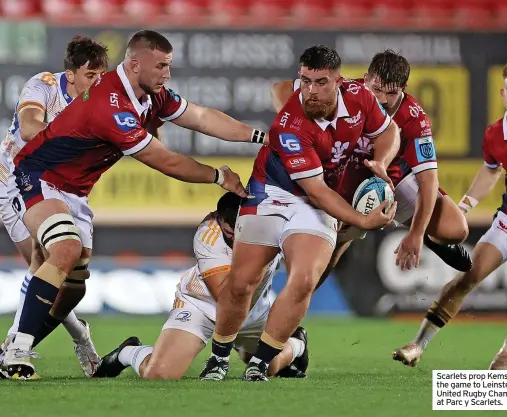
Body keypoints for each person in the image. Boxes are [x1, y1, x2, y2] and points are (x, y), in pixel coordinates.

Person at [0, 30, 264, 380]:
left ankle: (30, 341)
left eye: (169, 66)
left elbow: (200, 117)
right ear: (135, 64)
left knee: (73, 286)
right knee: (64, 249)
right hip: (37, 175)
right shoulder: (109, 103)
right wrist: (218, 175)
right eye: (161, 66)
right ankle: (17, 349)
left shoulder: (152, 95)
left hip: (75, 191)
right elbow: (164, 161)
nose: (167, 73)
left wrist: (259, 136)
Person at [199, 45, 399, 382]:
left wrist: (381, 161)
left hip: (314, 200)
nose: (311, 91)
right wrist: (362, 221)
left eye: (321, 82)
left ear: (339, 81)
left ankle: (260, 363)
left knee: (304, 280)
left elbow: (388, 131)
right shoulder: (291, 123)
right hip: (272, 192)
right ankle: (218, 358)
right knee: (242, 284)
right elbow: (317, 191)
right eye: (305, 82)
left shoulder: (361, 96)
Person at [393, 60, 507, 370]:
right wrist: (463, 207)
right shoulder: (495, 134)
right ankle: (418, 344)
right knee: (467, 278)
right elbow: (491, 170)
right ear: (502, 92)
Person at [271, 50, 471, 285]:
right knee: (330, 250)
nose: (383, 99)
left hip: (390, 179)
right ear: (365, 80)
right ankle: (294, 315)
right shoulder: (344, 92)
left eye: (392, 92)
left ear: (404, 88)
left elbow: (428, 180)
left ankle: (429, 235)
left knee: (457, 230)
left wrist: (416, 234)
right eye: (376, 89)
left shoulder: (415, 118)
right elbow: (279, 89)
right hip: (343, 174)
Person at [94, 192, 309, 380]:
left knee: (270, 367)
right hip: (202, 306)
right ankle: (128, 352)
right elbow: (226, 297)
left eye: (244, 234)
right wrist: (261, 258)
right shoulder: (209, 236)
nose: (237, 241)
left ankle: (297, 343)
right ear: (220, 220)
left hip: (252, 312)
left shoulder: (275, 228)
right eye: (230, 233)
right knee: (158, 373)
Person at [0, 35, 109, 378]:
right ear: (72, 73)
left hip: (59, 186)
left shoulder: (100, 100)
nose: (97, 83)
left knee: (57, 276)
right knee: (47, 266)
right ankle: (16, 348)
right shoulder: (44, 85)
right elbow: (31, 125)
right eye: (91, 75)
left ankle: (71, 335)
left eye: (102, 76)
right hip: (14, 179)